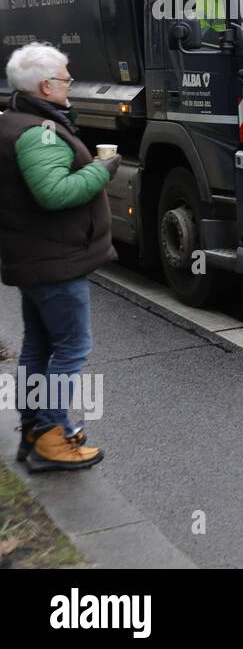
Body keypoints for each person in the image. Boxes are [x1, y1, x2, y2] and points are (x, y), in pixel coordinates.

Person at [1, 43, 119, 471]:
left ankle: (34, 429)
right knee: (71, 349)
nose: (71, 84)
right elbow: (53, 194)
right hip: (56, 262)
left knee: (38, 347)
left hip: (36, 260)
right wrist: (99, 171)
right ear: (46, 86)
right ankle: (53, 437)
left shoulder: (17, 121)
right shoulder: (40, 132)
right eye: (66, 78)